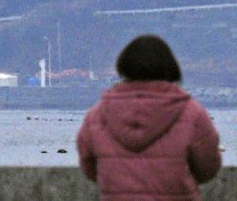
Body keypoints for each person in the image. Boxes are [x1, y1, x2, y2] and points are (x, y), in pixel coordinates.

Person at [77, 34, 221, 200]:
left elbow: (89, 167)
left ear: (124, 67)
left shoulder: (97, 115)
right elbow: (208, 167)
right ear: (170, 68)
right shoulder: (192, 113)